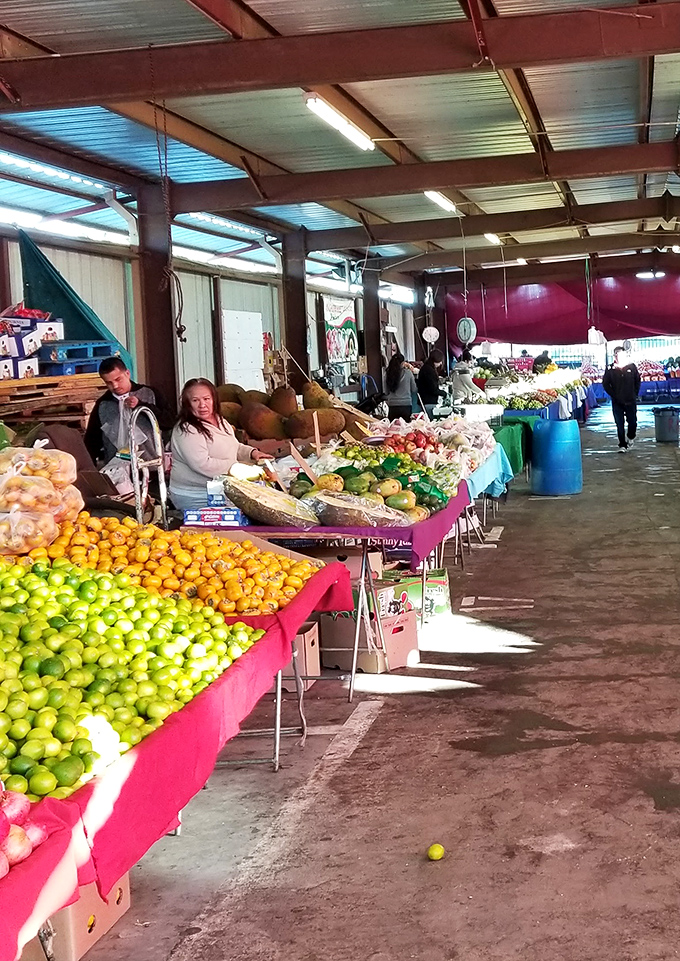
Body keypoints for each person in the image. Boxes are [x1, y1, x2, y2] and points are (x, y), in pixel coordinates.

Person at [170, 378, 270, 509]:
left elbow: (234, 446)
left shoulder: (220, 420)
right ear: (187, 404)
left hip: (221, 488)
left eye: (206, 399)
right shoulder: (187, 429)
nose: (202, 405)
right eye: (195, 400)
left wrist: (252, 453)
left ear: (214, 400)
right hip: (197, 495)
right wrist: (237, 468)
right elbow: (202, 464)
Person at [84, 357, 174, 466]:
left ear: (127, 373)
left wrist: (141, 405)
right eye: (109, 383)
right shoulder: (103, 404)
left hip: (153, 466)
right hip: (118, 472)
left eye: (118, 379)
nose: (115, 386)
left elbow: (169, 422)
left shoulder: (150, 394)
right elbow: (92, 441)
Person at [602, 346, 641, 452]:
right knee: (619, 423)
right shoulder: (610, 368)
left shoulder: (631, 367)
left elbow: (637, 381)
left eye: (620, 354)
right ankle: (622, 445)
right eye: (616, 354)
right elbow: (606, 384)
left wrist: (634, 394)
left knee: (632, 422)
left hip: (630, 400)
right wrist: (614, 395)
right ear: (614, 355)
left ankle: (631, 436)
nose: (618, 356)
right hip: (617, 401)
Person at [384, 351, 417, 421]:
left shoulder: (388, 374)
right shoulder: (408, 373)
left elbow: (386, 392)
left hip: (392, 405)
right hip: (406, 405)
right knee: (405, 429)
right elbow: (414, 389)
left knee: (393, 429)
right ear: (402, 363)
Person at [417, 349, 447, 417]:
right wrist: (444, 393)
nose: (441, 363)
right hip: (428, 402)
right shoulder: (429, 370)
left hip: (425, 401)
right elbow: (433, 389)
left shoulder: (426, 368)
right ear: (436, 360)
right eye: (440, 361)